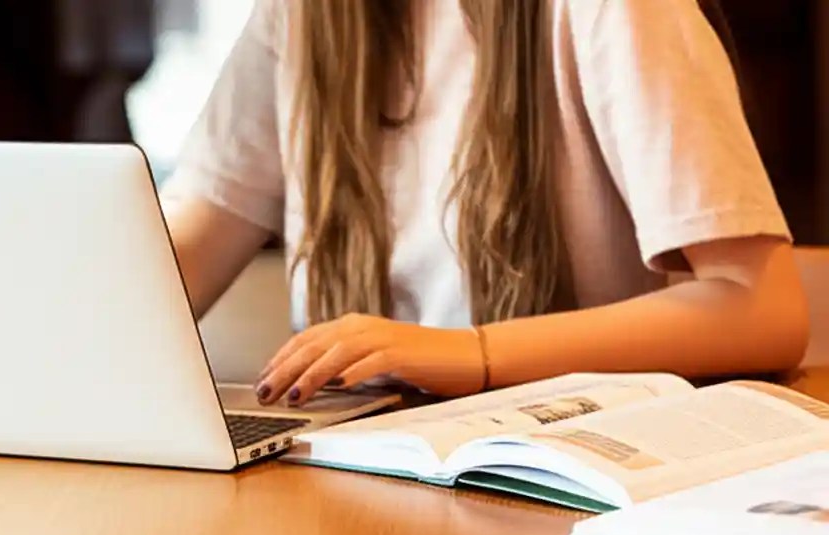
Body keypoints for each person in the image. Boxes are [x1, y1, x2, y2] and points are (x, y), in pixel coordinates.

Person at [161, 0, 810, 407]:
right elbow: (186, 249)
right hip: (363, 474)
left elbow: (762, 306)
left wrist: (472, 352)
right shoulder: (300, 17)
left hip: (552, 480)